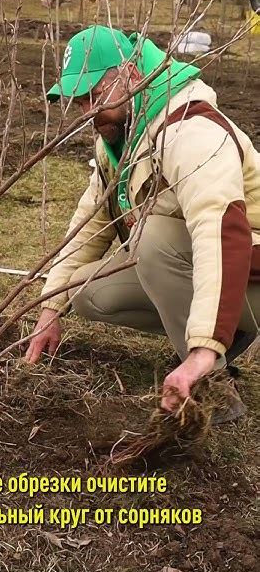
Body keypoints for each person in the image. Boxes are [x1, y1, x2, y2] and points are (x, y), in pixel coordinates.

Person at [25, 25, 260, 421]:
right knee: (87, 290)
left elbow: (220, 234)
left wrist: (203, 350)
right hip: (222, 274)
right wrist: (49, 309)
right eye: (79, 102)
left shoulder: (191, 130)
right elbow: (88, 224)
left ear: (132, 75)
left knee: (152, 238)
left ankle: (212, 384)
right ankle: (226, 334)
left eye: (95, 96)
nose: (88, 113)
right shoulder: (121, 139)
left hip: (246, 270)